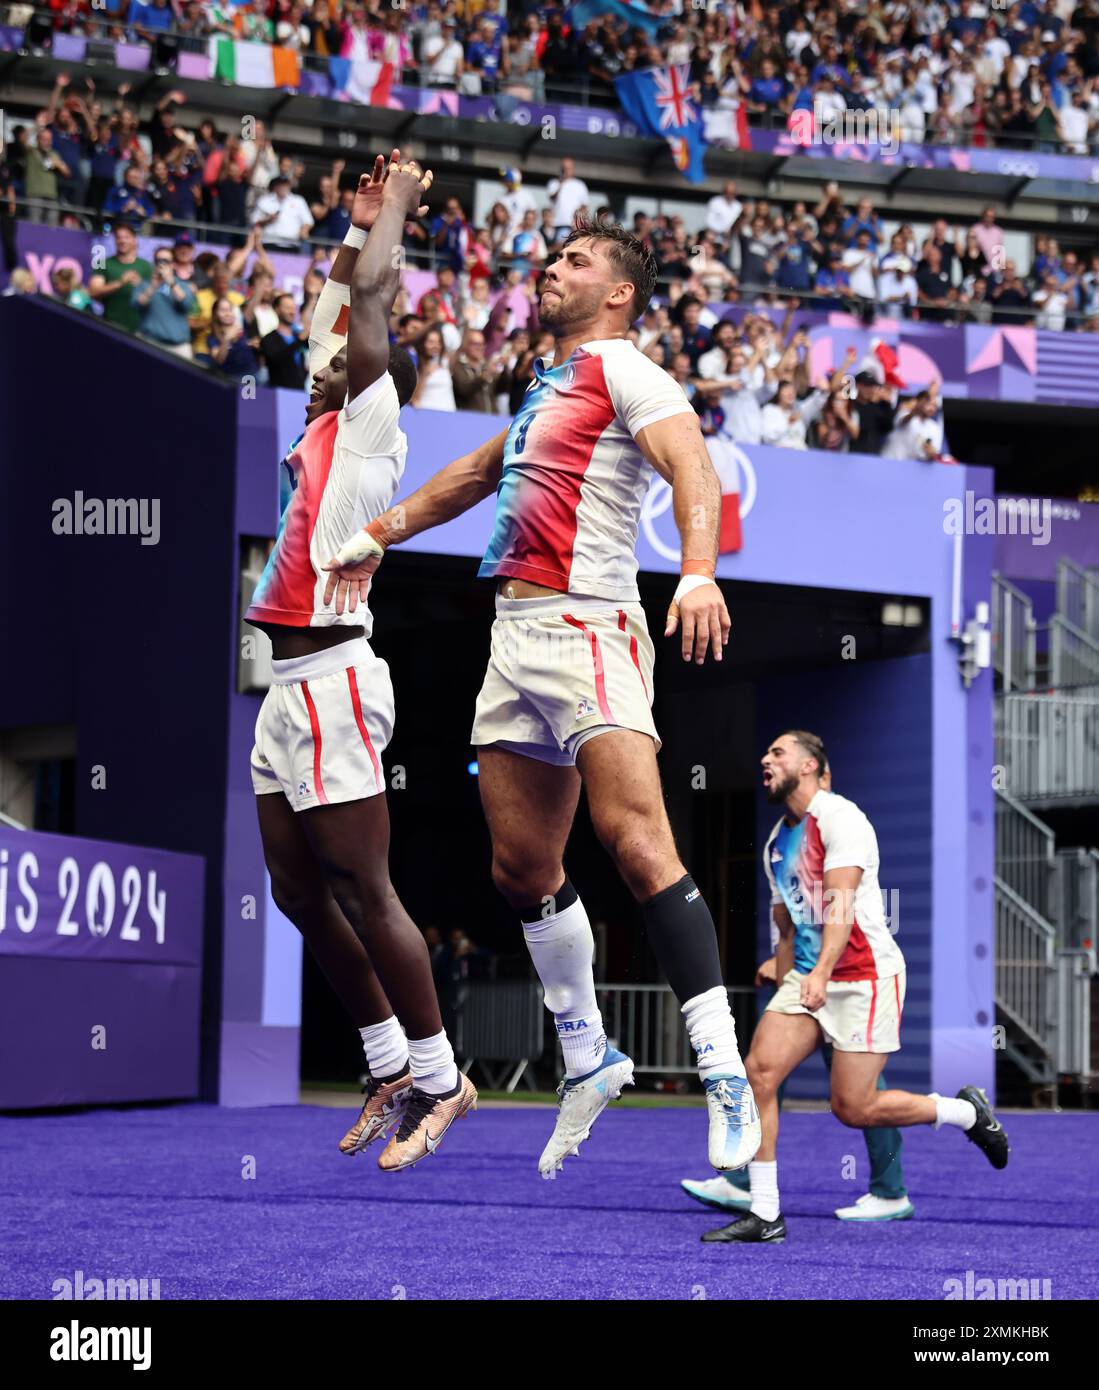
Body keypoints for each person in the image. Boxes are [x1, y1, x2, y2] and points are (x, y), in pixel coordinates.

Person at [322, 215, 761, 1180]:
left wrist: (696, 571)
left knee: (637, 842)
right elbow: (479, 473)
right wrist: (380, 531)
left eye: (574, 262)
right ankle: (588, 1053)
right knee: (522, 870)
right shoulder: (544, 386)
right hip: (513, 641)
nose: (550, 269)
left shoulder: (627, 370)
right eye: (551, 257)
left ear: (617, 295)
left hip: (592, 625)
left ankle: (722, 1073)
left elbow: (690, 462)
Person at [246, 153, 477, 1171]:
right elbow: (339, 298)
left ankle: (442, 1077)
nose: (326, 352)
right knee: (297, 887)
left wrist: (399, 213)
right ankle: (387, 1057)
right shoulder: (322, 412)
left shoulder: (374, 418)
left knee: (365, 885)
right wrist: (351, 224)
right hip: (283, 689)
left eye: (343, 351)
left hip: (338, 675)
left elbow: (369, 299)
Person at [700, 731, 1008, 1245]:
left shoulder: (842, 819)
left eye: (778, 752)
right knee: (758, 1072)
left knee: (854, 1108)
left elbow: (839, 904)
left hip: (863, 975)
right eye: (767, 753)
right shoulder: (778, 842)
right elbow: (787, 923)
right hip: (807, 976)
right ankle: (766, 1212)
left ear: (811, 765)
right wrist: (783, 968)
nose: (765, 759)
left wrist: (822, 972)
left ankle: (964, 1112)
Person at [88, 224, 153, 334]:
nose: (122, 241)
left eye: (126, 237)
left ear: (134, 240)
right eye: (118, 237)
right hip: (110, 325)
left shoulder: (146, 266)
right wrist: (120, 283)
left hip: (139, 329)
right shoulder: (102, 263)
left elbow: (155, 298)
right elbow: (93, 292)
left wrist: (141, 285)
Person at [134, 247, 198, 356]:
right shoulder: (144, 284)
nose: (161, 264)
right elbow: (137, 305)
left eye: (166, 261)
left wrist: (171, 282)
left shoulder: (183, 285)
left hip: (179, 347)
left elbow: (185, 303)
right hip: (150, 343)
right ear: (154, 263)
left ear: (173, 264)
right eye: (158, 261)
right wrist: (153, 287)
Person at [261, 293, 310, 389]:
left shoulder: (298, 337)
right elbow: (277, 359)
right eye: (287, 308)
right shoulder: (268, 339)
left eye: (293, 308)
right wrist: (299, 340)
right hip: (279, 394)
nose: (292, 312)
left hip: (301, 392)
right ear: (277, 309)